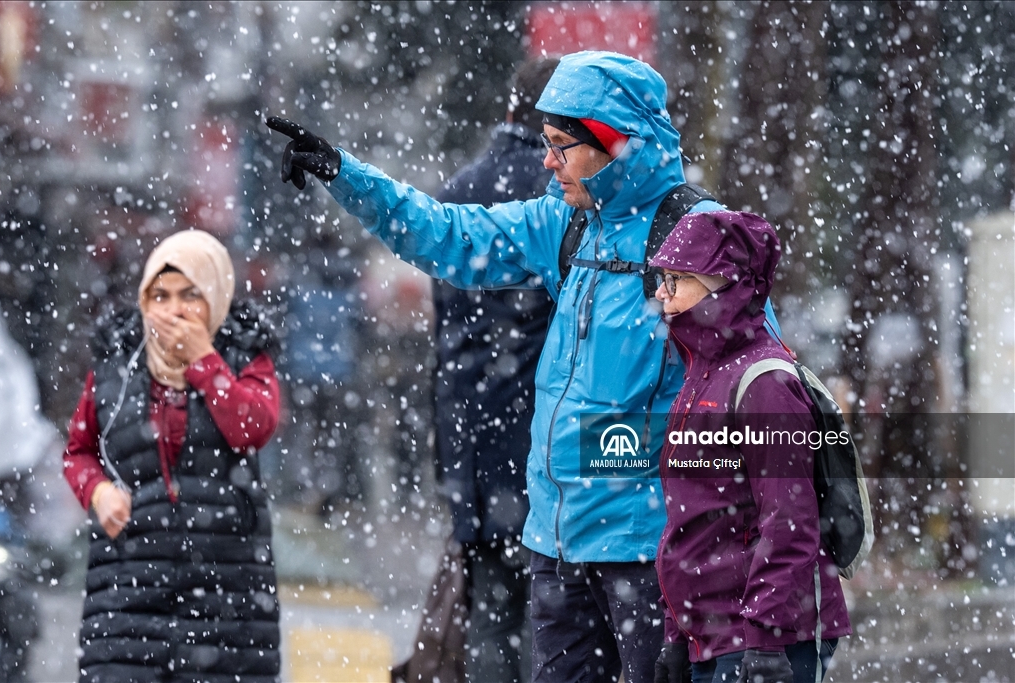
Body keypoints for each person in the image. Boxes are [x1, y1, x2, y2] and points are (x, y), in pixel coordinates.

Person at [266, 50, 778, 683]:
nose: (547, 162)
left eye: (563, 146)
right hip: (556, 548)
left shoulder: (699, 236)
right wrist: (345, 175)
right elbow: (446, 237)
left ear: (615, 143)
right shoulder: (565, 223)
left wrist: (657, 481)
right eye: (546, 143)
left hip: (652, 558)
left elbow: (755, 394)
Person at [61, 230, 282, 683]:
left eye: (190, 296)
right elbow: (79, 451)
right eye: (159, 295)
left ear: (216, 299)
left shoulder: (244, 358)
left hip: (226, 597)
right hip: (127, 593)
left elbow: (253, 426)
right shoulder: (114, 368)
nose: (173, 309)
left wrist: (204, 360)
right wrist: (98, 492)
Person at [648, 211, 851, 683]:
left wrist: (764, 638)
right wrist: (678, 635)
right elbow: (692, 516)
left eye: (676, 280)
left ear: (726, 285)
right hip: (714, 637)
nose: (661, 293)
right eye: (662, 279)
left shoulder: (765, 384)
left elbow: (788, 523)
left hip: (763, 640)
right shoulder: (701, 374)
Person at [432, 57, 558, 683]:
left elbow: (445, 330)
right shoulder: (565, 196)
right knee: (553, 615)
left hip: (471, 434)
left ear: (510, 110)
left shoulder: (458, 191)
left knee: (489, 609)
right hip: (547, 438)